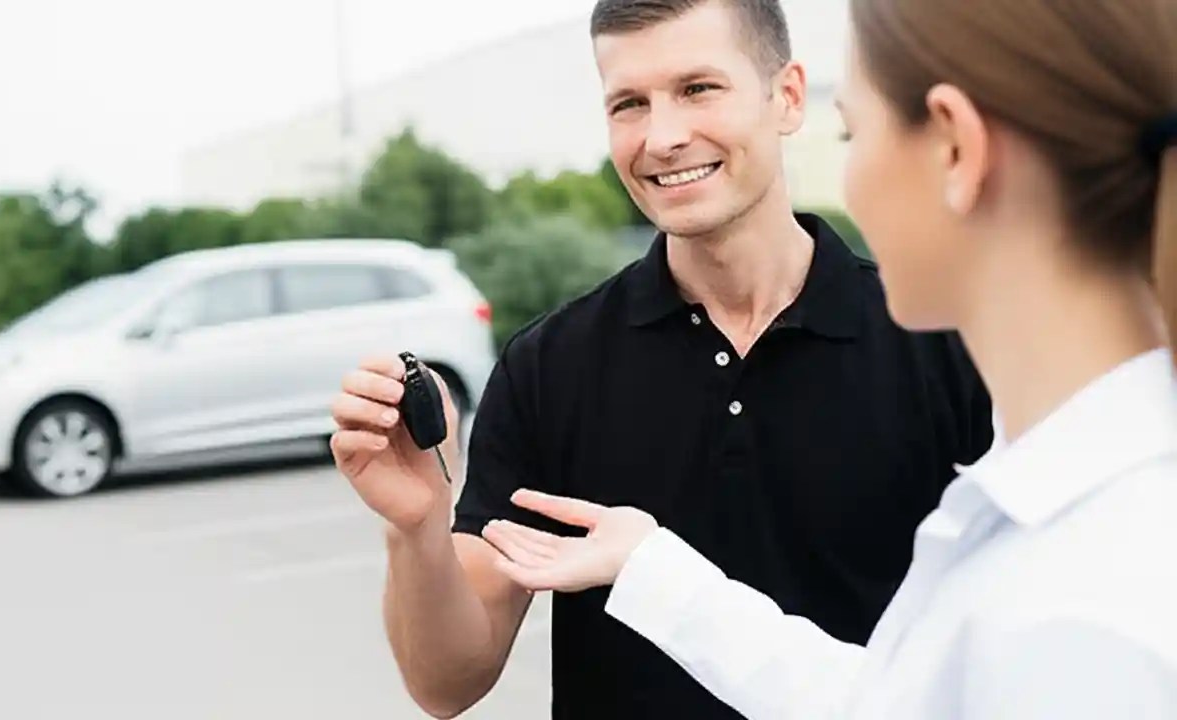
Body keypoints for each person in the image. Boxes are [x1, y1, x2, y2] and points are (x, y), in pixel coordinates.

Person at [482, 0, 1177, 717]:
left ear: (957, 150)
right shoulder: (1088, 497)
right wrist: (650, 566)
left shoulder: (1092, 590)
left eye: (852, 133)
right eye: (629, 103)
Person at [328, 0, 993, 717]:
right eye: (629, 104)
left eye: (697, 89)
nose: (663, 137)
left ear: (788, 97)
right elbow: (447, 682)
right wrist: (418, 529)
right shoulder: (550, 367)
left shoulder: (941, 337)